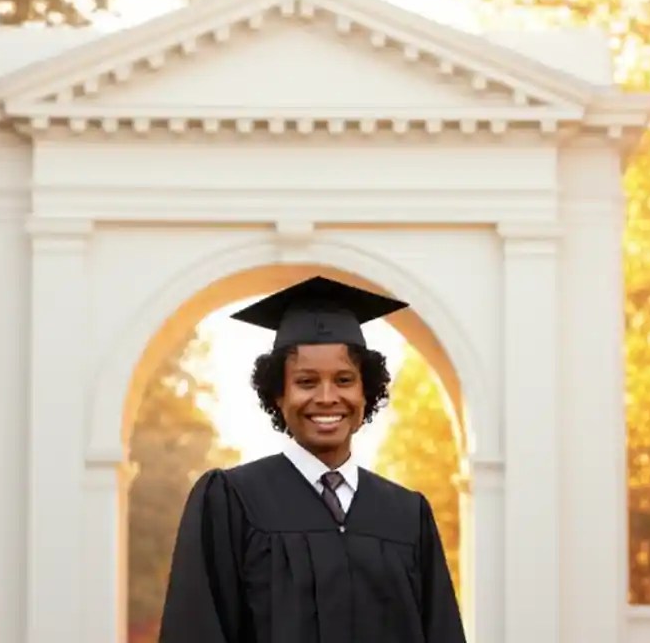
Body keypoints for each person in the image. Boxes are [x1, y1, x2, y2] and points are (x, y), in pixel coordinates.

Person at [159, 276, 466, 643]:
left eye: (344, 380)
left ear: (366, 392)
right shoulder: (231, 502)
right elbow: (196, 630)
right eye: (306, 382)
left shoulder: (407, 515)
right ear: (278, 395)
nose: (326, 397)